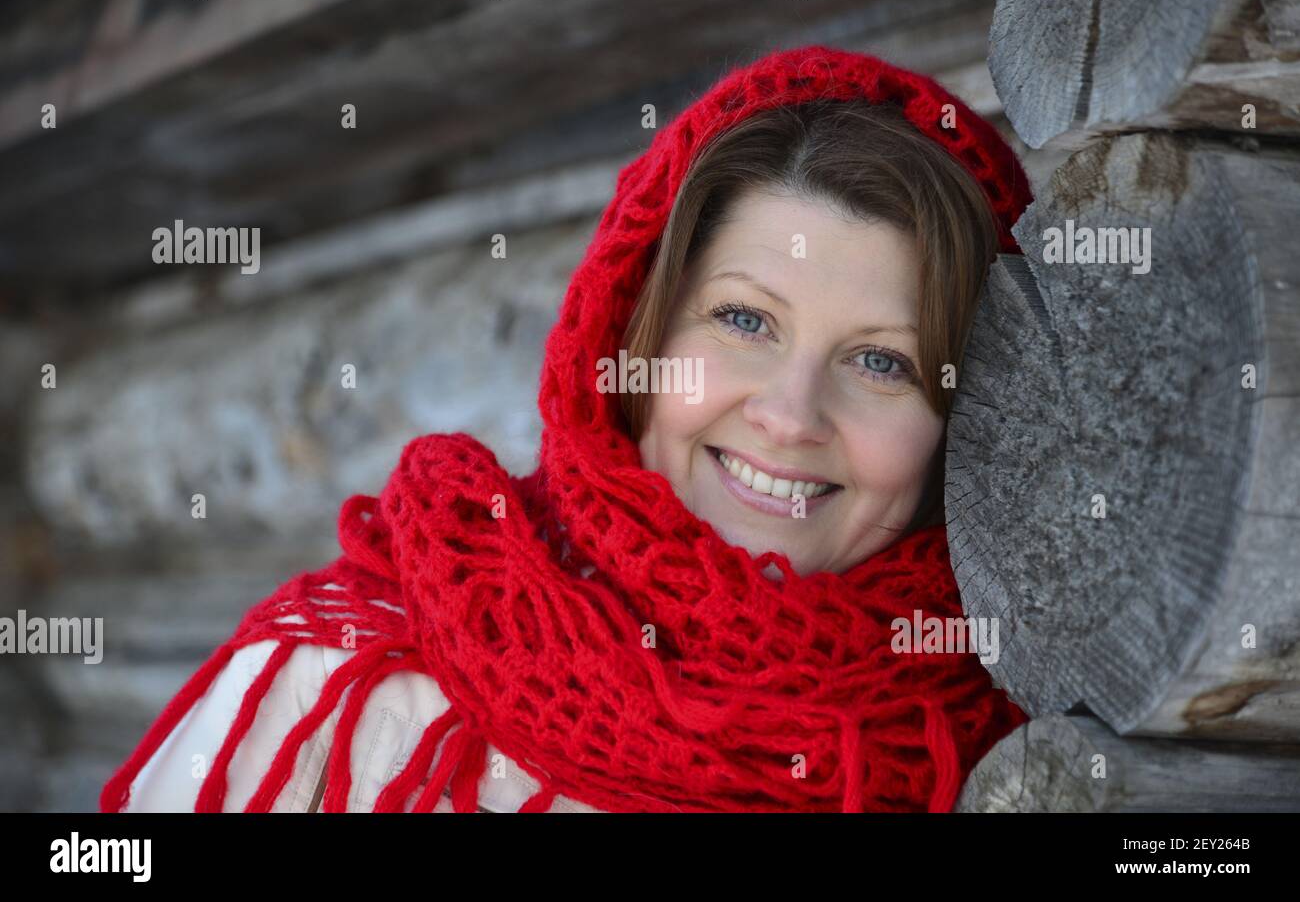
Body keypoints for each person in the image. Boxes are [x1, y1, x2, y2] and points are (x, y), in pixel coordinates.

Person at [101, 44, 1033, 814]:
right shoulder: (339, 694)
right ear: (636, 325)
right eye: (745, 320)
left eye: (882, 362)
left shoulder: (1011, 745)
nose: (790, 415)